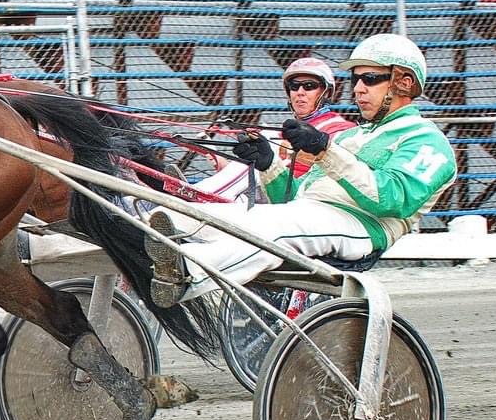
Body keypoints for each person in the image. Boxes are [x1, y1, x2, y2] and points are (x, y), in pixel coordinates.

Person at [146, 34, 457, 308]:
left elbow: (392, 199)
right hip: (310, 214)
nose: (359, 89)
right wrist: (269, 164)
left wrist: (325, 150)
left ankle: (188, 275)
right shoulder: (352, 136)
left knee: (275, 233)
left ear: (404, 82)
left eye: (371, 79)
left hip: (363, 227)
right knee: (218, 216)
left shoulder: (427, 139)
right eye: (356, 80)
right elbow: (294, 197)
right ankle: (149, 234)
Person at [280, 56, 356, 178]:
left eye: (309, 86)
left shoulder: (342, 130)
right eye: (294, 86)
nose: (300, 92)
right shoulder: (285, 130)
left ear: (326, 92)